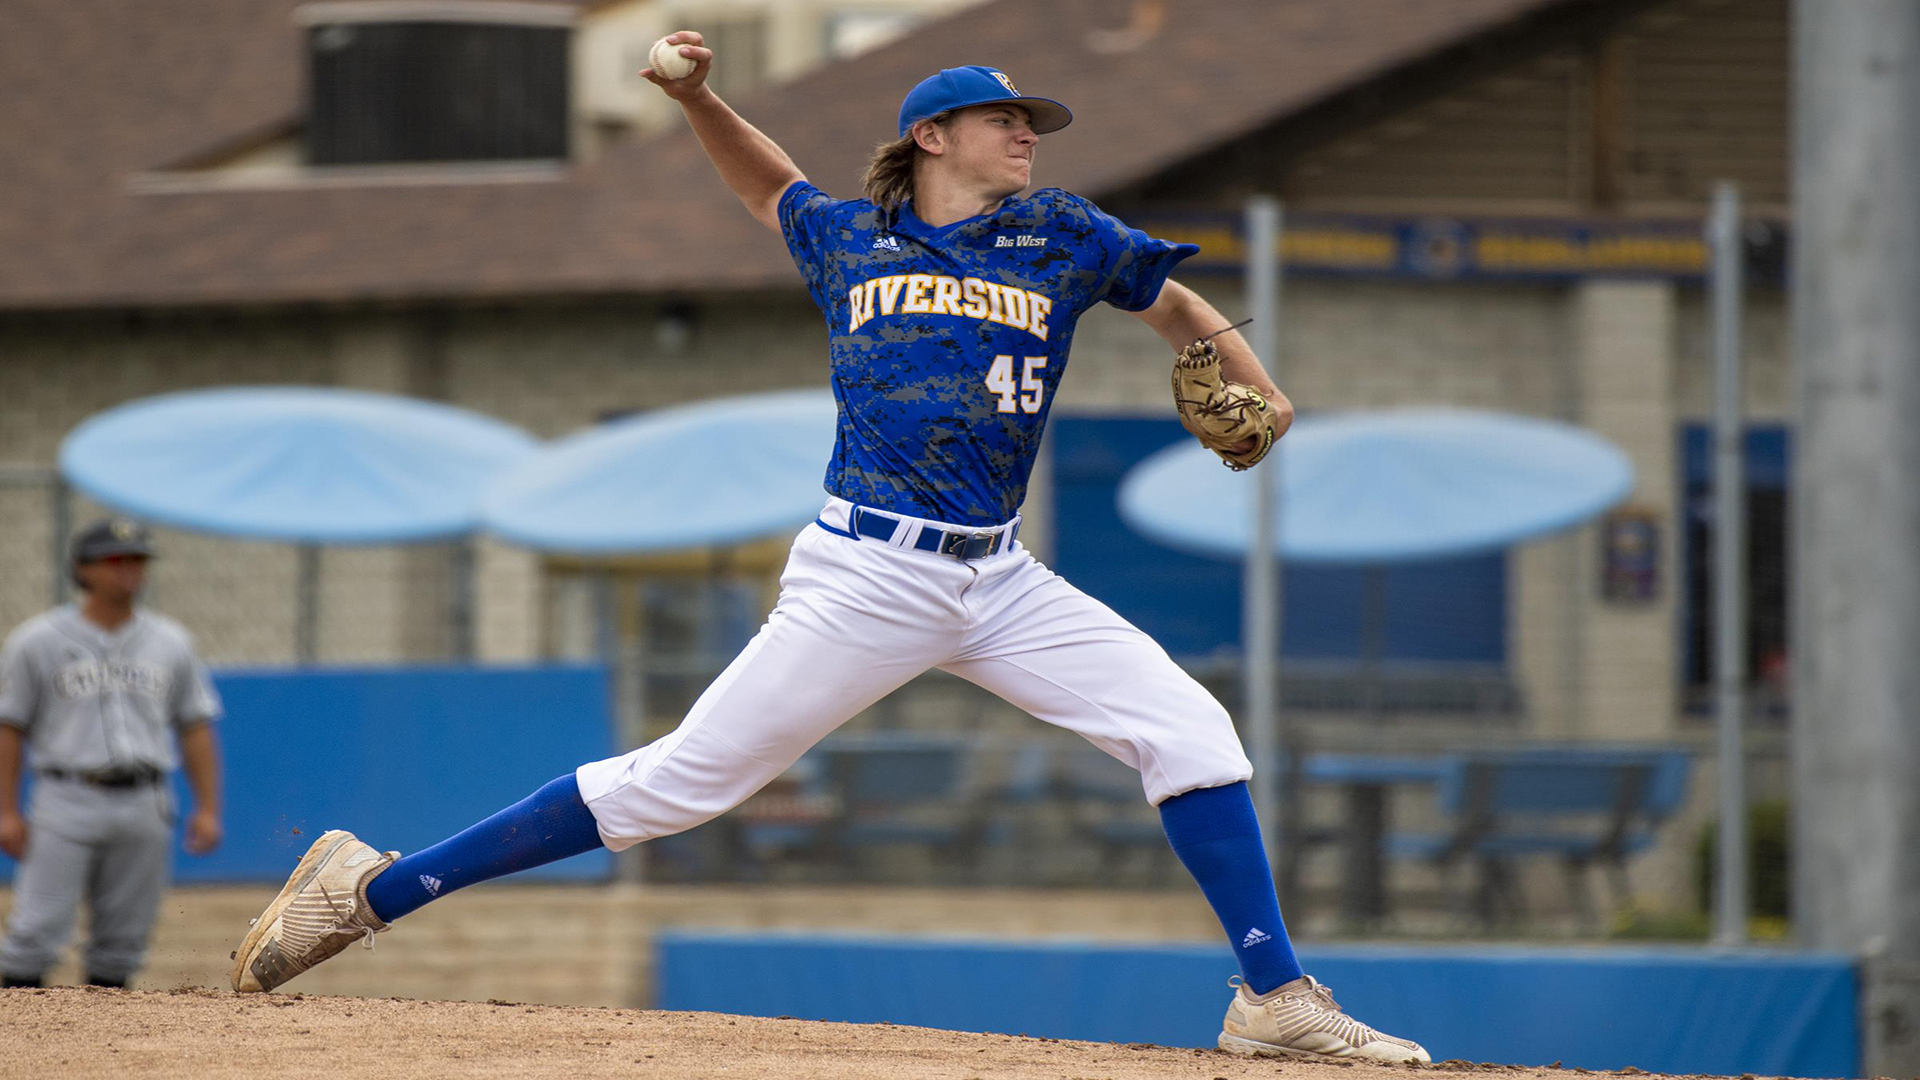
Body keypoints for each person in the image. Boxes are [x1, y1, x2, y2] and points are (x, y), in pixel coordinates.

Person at [229, 36, 1428, 1063]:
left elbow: (1167, 298)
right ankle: (370, 889)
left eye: (1031, 123)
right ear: (931, 136)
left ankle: (1274, 1001)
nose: (1027, 137)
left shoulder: (1059, 235)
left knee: (1191, 732)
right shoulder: (851, 243)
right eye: (1003, 121)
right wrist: (697, 99)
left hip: (998, 577)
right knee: (678, 785)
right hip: (867, 572)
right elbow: (770, 188)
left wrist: (1258, 380)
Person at [0, 519, 223, 989]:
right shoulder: (35, 641)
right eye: (116, 560)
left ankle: (106, 1047)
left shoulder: (171, 641)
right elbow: (10, 729)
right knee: (34, 933)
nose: (130, 570)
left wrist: (207, 808)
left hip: (145, 800)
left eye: (138, 560)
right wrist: (6, 811)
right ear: (83, 568)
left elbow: (195, 727)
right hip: (66, 796)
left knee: (124, 941)